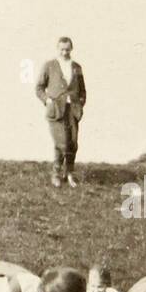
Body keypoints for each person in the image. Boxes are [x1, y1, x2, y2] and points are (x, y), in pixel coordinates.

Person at [34, 36, 86, 187]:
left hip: (72, 110)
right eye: (62, 49)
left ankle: (69, 173)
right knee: (61, 142)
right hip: (56, 110)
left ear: (71, 49)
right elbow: (39, 87)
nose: (64, 52)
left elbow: (83, 90)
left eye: (67, 49)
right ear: (58, 49)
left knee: (73, 142)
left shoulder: (77, 67)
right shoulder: (49, 65)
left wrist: (80, 104)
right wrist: (47, 100)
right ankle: (56, 173)